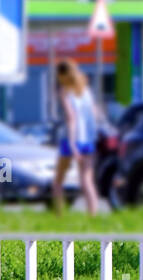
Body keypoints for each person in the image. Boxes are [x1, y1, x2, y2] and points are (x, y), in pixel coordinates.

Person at [52, 61, 101, 216]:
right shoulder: (85, 90)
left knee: (58, 180)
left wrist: (72, 144)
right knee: (87, 180)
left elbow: (70, 117)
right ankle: (93, 216)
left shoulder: (64, 90)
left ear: (61, 75)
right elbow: (95, 113)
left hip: (71, 139)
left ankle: (59, 215)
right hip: (88, 140)